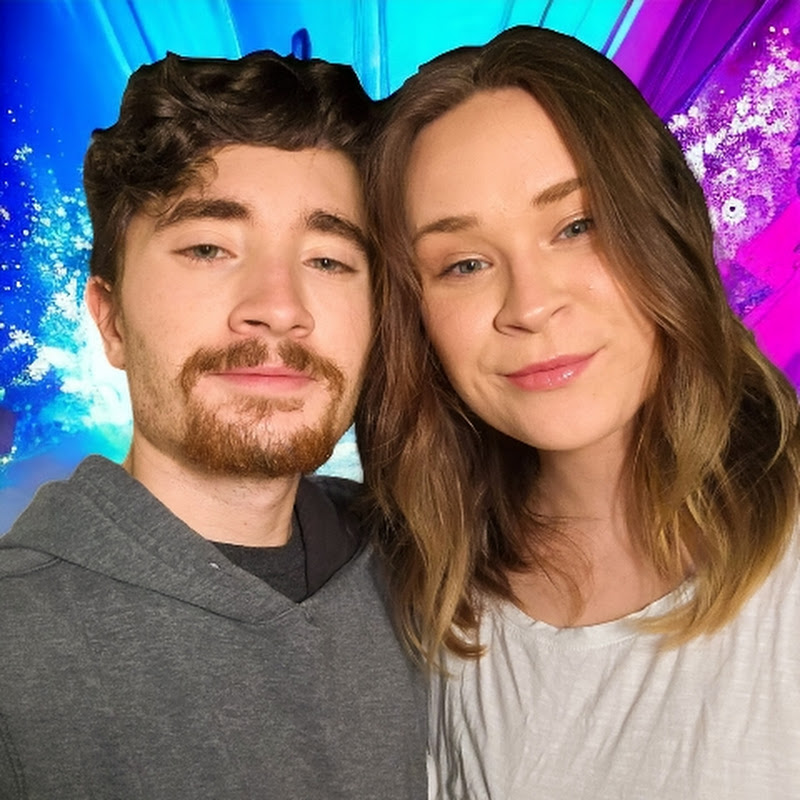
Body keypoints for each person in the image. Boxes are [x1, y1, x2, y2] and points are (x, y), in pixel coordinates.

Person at [358, 25, 800, 799]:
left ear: (665, 225)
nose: (530, 305)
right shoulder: (418, 597)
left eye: (576, 226)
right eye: (464, 264)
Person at [0, 50, 426, 800]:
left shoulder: (433, 578)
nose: (279, 306)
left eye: (329, 260)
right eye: (208, 248)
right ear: (111, 319)